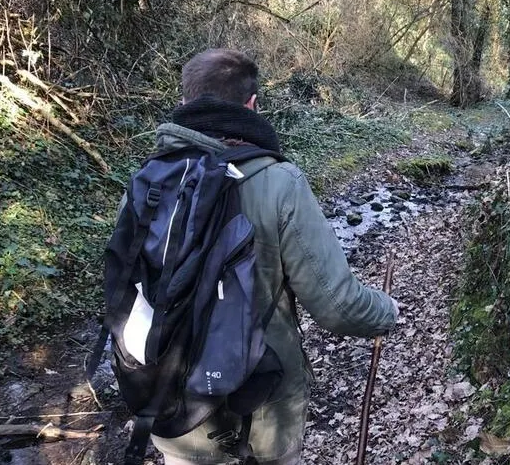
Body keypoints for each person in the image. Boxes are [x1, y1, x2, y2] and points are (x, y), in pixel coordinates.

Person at [148, 48, 398, 465]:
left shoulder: (149, 181)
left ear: (183, 104)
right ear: (252, 106)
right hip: (262, 414)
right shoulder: (279, 182)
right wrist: (385, 311)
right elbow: (337, 307)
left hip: (174, 413)